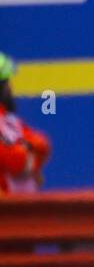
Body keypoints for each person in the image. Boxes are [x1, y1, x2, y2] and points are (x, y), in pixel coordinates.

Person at [0, 53, 51, 194]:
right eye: (7, 82)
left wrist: (28, 153)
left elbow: (42, 144)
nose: (10, 88)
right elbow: (17, 160)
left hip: (18, 211)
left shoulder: (8, 120)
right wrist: (29, 155)